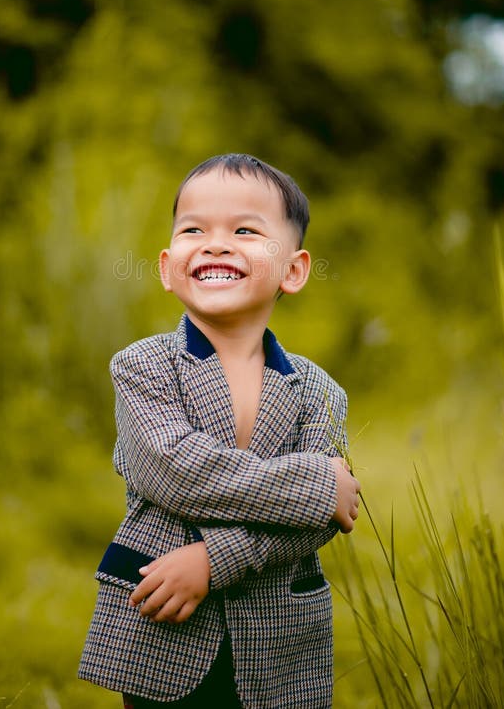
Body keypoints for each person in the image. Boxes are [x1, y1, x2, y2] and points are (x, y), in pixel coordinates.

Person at [78, 153, 360, 708]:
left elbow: (324, 522)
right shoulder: (141, 367)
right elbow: (180, 471)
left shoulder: (320, 390)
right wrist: (318, 484)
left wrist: (214, 559)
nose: (215, 243)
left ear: (294, 270)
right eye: (193, 230)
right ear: (166, 266)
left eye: (245, 230)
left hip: (280, 640)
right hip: (164, 628)